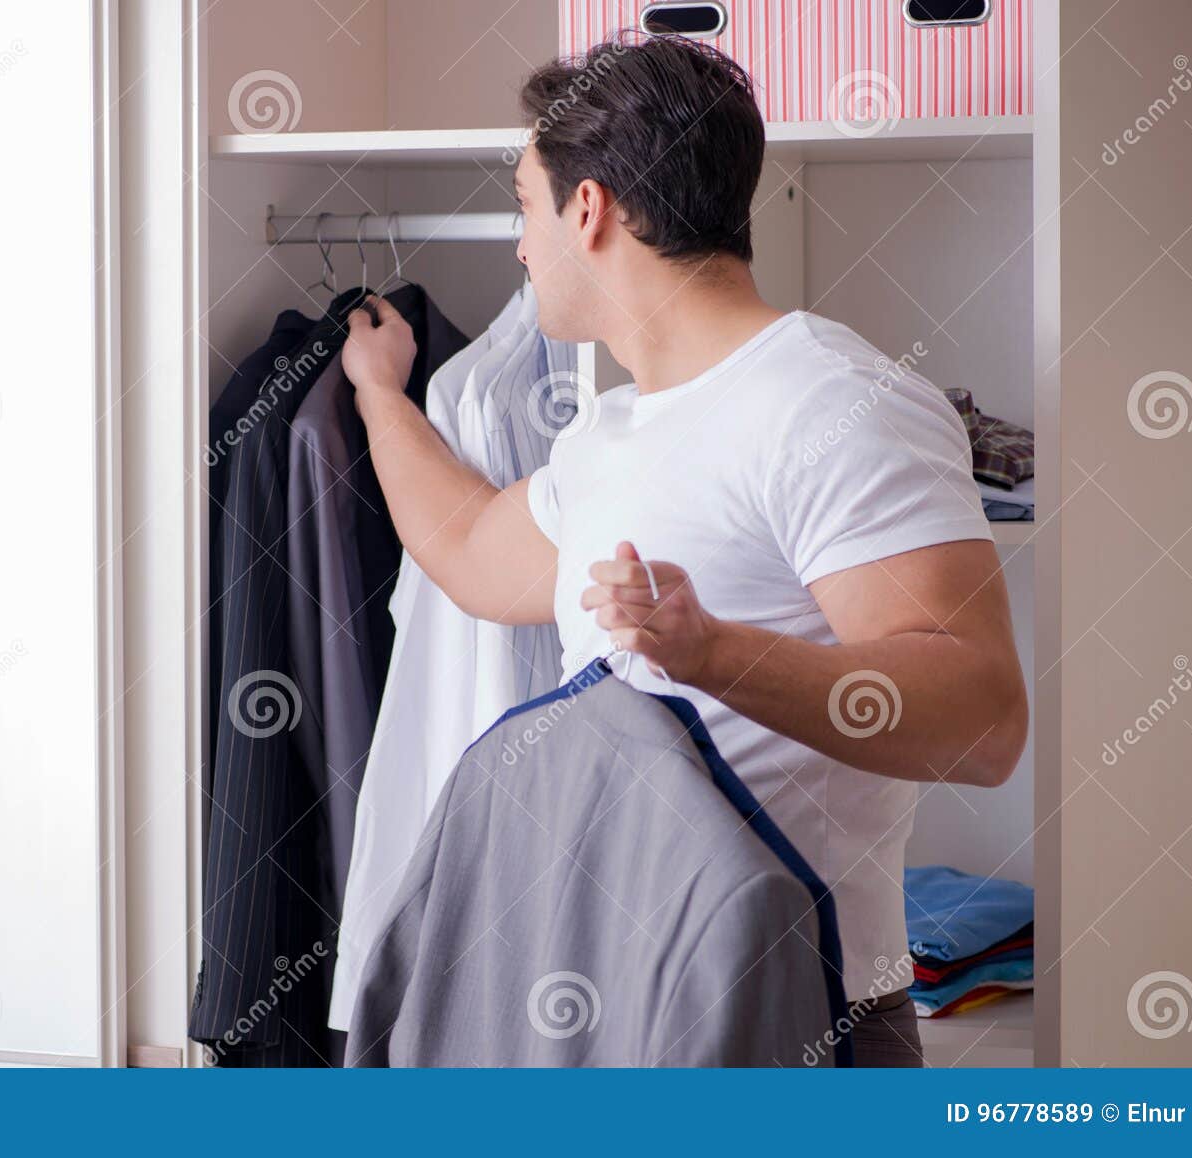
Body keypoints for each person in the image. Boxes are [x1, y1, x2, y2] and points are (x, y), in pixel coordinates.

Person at [339, 34, 1027, 1067]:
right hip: (619, 1006)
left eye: (526, 208)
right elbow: (474, 553)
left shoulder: (834, 403)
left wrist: (716, 654)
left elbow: (982, 723)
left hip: (800, 1019)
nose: (519, 248)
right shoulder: (612, 434)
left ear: (589, 209)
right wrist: (378, 396)